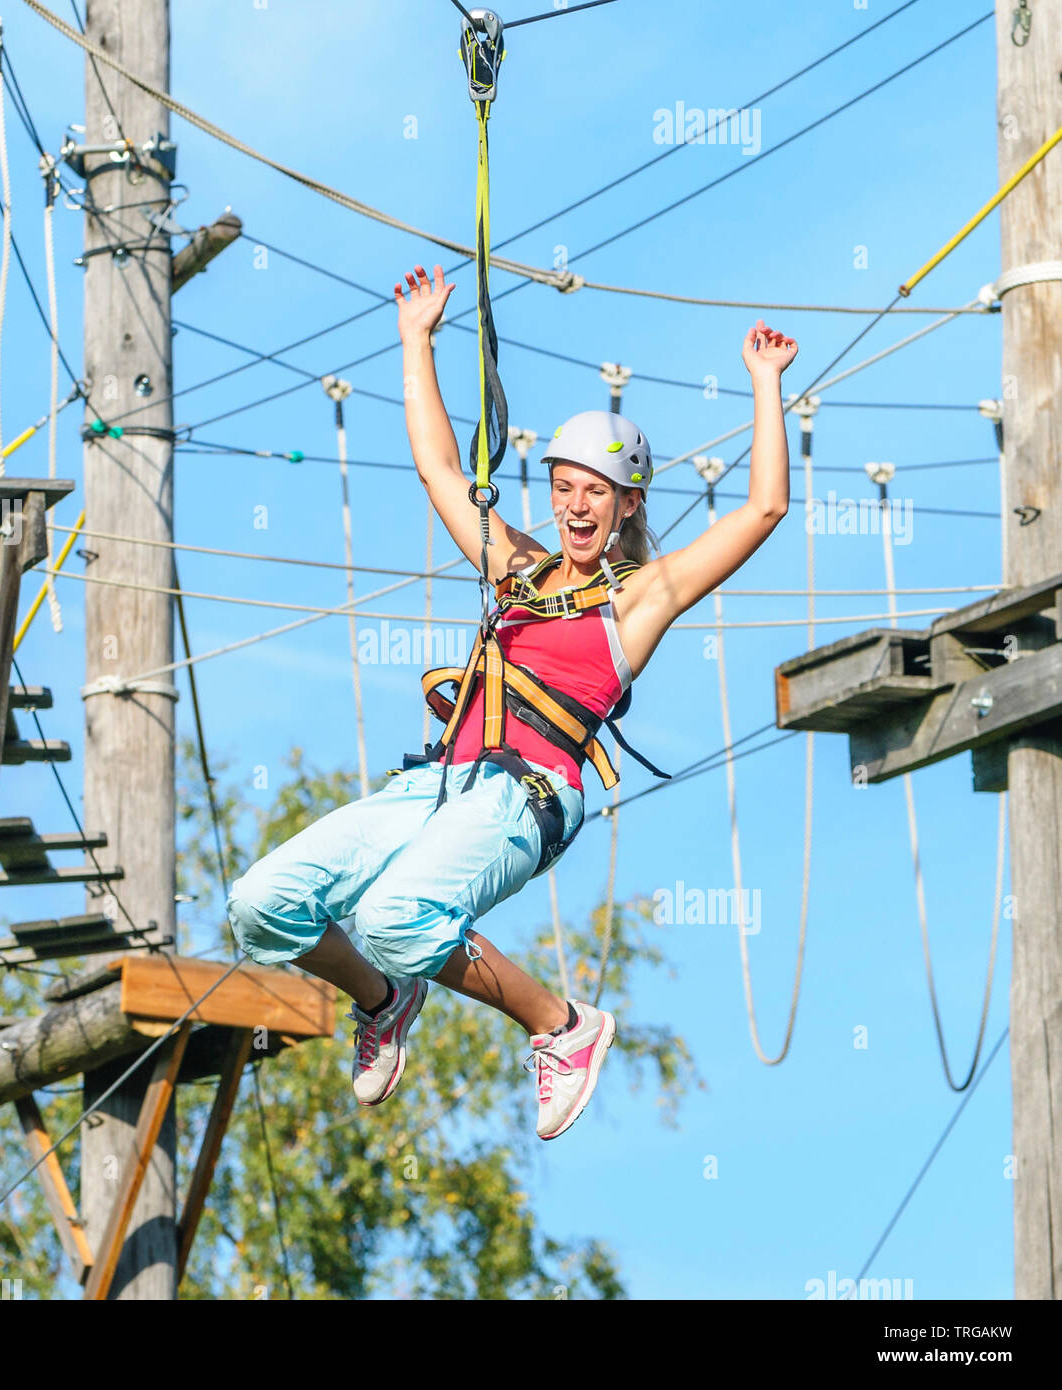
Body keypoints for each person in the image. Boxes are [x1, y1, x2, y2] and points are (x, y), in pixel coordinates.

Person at [228, 262, 798, 1140]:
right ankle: (383, 999)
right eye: (565, 485)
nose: (576, 505)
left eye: (595, 493)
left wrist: (765, 387)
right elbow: (438, 466)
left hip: (528, 796)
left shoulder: (637, 600)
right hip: (438, 786)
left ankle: (562, 1026)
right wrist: (415, 338)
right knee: (262, 903)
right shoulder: (516, 568)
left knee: (395, 915)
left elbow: (761, 511)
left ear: (626, 505)